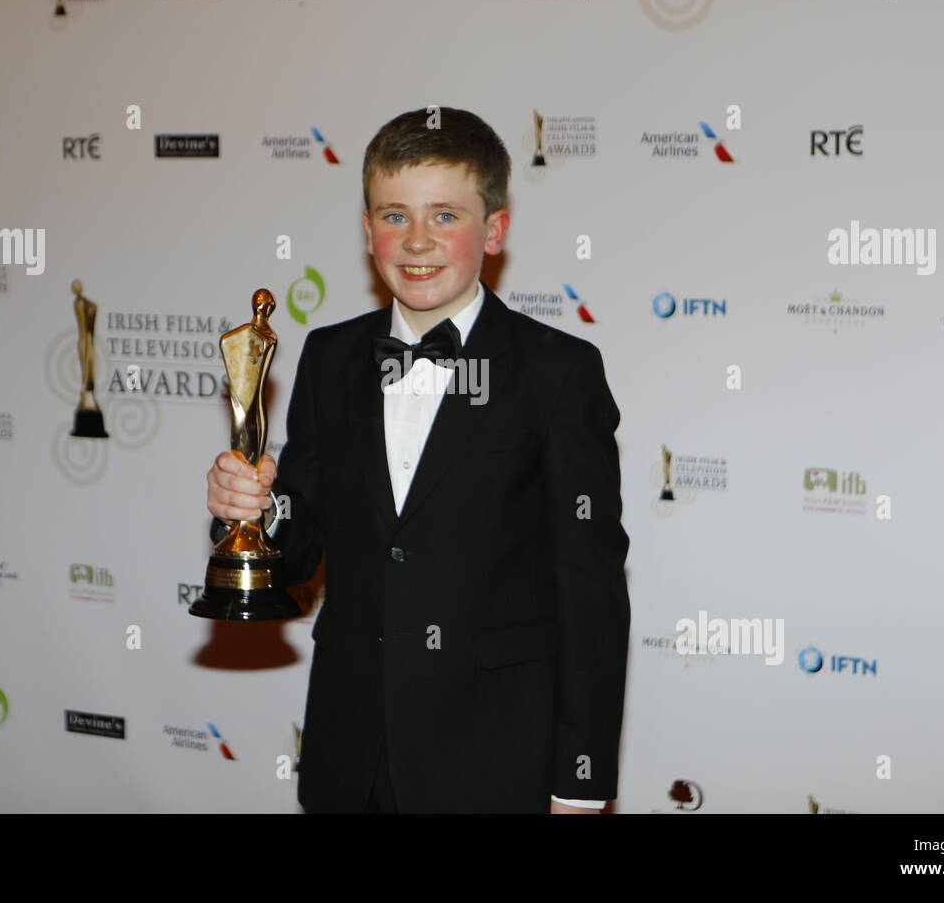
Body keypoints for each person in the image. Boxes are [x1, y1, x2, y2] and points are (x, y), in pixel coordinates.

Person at [207, 106, 630, 813]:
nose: (417, 241)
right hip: (351, 756)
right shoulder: (332, 356)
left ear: (494, 230)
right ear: (368, 228)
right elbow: (304, 537)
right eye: (394, 215)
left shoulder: (558, 372)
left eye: (445, 216)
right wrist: (255, 511)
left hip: (496, 758)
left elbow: (589, 589)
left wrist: (579, 784)